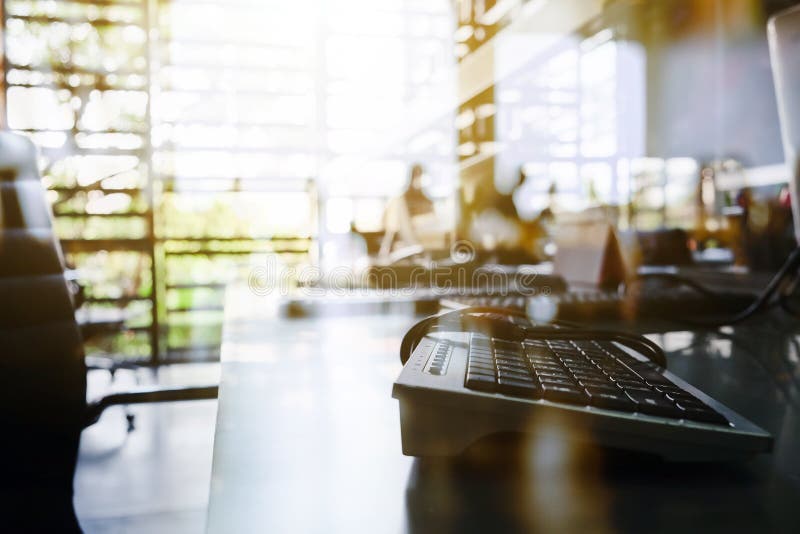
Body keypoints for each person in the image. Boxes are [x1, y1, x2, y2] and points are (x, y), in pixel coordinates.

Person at [379, 164, 444, 260]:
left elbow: (435, 221)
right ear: (412, 177)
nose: (419, 180)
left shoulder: (427, 200)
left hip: (425, 241)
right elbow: (392, 225)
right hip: (408, 242)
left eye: (420, 176)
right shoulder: (402, 200)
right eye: (417, 176)